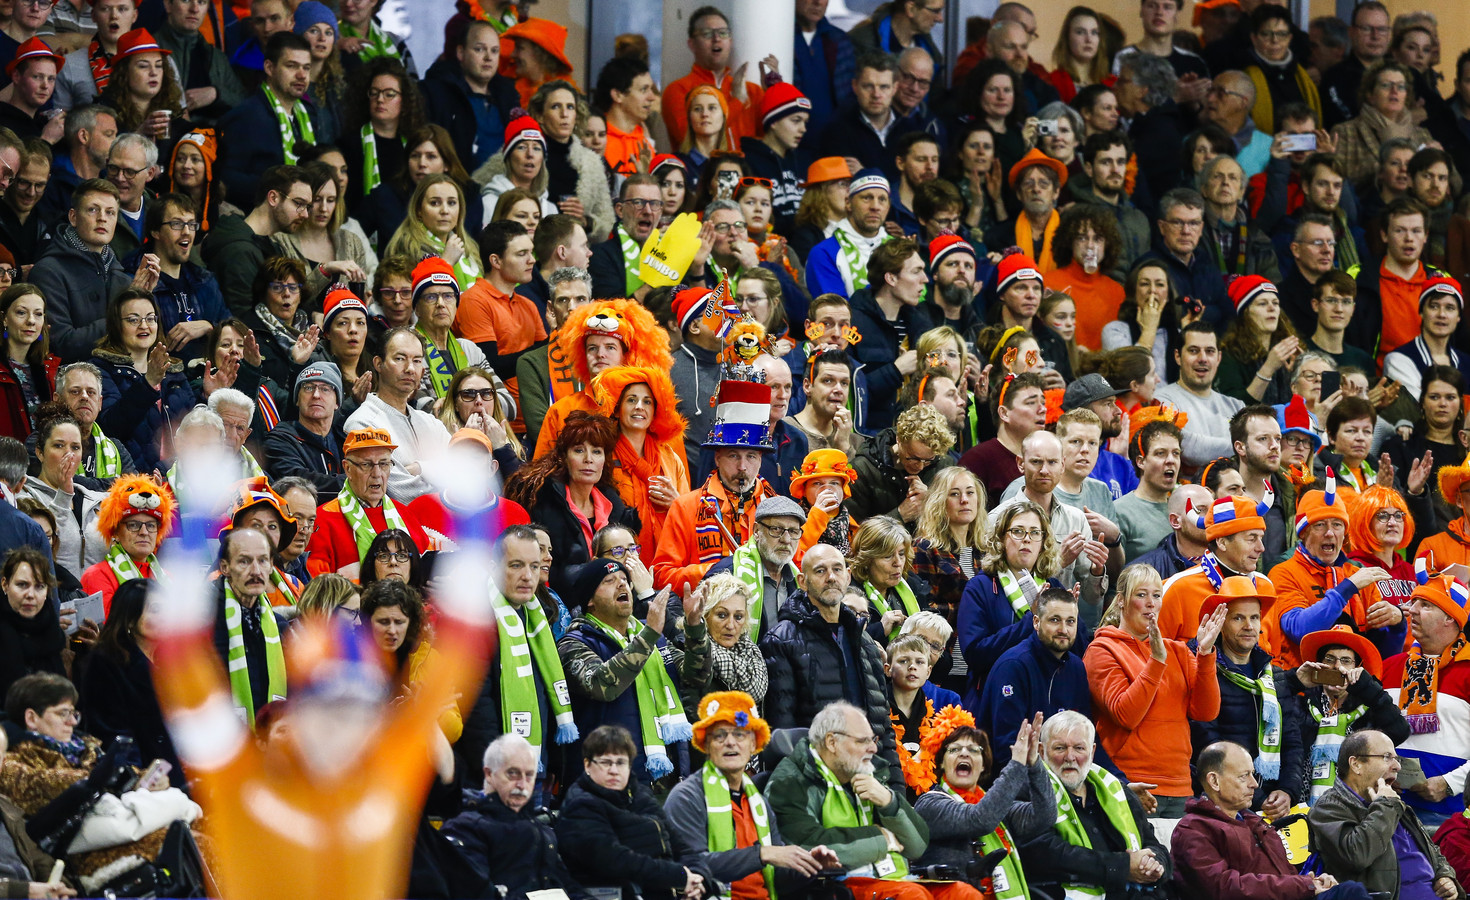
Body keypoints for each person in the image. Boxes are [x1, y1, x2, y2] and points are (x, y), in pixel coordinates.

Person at [765, 700, 951, 900]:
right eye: (862, 741)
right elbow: (805, 846)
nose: (873, 748)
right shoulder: (790, 782)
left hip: (894, 880)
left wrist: (890, 803)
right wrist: (882, 839)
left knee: (961, 894)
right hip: (840, 886)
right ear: (831, 742)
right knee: (912, 896)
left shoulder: (869, 771)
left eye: (873, 739)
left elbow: (917, 846)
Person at [1087, 563, 1225, 818]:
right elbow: (1126, 715)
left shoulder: (1179, 651)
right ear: (1121, 601)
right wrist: (1156, 662)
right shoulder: (1102, 650)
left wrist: (1205, 654)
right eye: (1141, 595)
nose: (1151, 603)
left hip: (1180, 785)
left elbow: (1206, 712)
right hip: (1132, 783)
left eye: (1156, 595)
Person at [666, 688, 833, 897]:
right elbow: (691, 866)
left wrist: (813, 865)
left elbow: (776, 875)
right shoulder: (686, 797)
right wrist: (761, 854)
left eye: (739, 734)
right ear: (706, 745)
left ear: (754, 744)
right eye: (719, 735)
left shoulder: (759, 801)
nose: (730, 742)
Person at [557, 560, 710, 782]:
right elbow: (602, 686)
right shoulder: (575, 643)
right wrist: (648, 636)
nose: (622, 585)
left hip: (664, 776)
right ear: (589, 600)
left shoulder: (650, 637)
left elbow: (697, 676)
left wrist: (695, 627)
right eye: (609, 581)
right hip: (606, 780)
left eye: (625, 580)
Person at [1174, 741, 1373, 899]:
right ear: (1214, 781)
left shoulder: (1252, 821)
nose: (1253, 784)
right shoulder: (1192, 829)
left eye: (1253, 774)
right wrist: (1303, 885)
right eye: (1244, 776)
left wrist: (1312, 880)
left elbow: (1283, 874)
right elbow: (1224, 888)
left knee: (1349, 890)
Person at [460, 526, 576, 785]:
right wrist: (495, 770)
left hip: (537, 768)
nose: (527, 576)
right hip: (497, 775)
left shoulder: (539, 619)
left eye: (534, 567)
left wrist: (556, 761)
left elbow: (546, 695)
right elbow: (476, 707)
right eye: (515, 565)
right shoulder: (476, 622)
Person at [1190, 574, 1307, 818]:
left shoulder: (1274, 676)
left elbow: (1292, 743)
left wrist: (1288, 791)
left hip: (1276, 803)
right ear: (1220, 623)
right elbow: (1208, 744)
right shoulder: (1204, 673)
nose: (1249, 626)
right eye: (1238, 618)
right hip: (1226, 807)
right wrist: (1258, 798)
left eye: (1254, 617)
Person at [1023, 709, 1173, 898]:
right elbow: (1044, 854)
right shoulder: (1028, 790)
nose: (1070, 757)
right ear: (1041, 751)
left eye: (1079, 748)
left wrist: (1154, 864)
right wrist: (1123, 867)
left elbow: (1152, 843)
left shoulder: (1116, 788)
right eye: (1060, 748)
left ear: (1092, 752)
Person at [554, 724, 707, 899]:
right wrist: (679, 877)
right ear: (587, 765)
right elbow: (616, 860)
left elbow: (680, 845)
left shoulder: (640, 794)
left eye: (621, 762)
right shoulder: (580, 805)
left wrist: (698, 877)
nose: (614, 770)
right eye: (605, 762)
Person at [1309, 728, 1461, 899]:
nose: (1397, 766)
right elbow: (1357, 855)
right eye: (1387, 757)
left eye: (1396, 759)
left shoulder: (1392, 801)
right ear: (1356, 764)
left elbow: (1431, 850)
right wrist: (1385, 806)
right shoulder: (1328, 808)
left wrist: (1445, 876)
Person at [439, 733, 588, 900]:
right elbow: (473, 893)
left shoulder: (542, 830)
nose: (522, 784)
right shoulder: (465, 828)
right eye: (513, 773)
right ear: (489, 774)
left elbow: (566, 885)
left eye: (529, 775)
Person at [1382, 573, 1470, 824]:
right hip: (1390, 810)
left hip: (1451, 816)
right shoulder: (1388, 668)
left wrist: (1449, 784)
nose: (1412, 611)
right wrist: (1380, 776)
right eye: (1413, 603)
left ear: (1449, 618)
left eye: (1426, 605)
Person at [980, 586, 1094, 766]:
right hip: (1014, 781)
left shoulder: (1076, 667)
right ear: (1036, 622)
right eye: (1055, 620)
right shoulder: (1013, 666)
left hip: (1062, 773)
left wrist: (1121, 782)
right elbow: (1007, 749)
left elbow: (1087, 736)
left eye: (1070, 621)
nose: (1063, 629)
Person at [306, 426, 431, 579]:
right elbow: (317, 591)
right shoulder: (322, 520)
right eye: (367, 465)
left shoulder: (405, 515)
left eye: (384, 464)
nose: (377, 474)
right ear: (347, 469)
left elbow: (427, 573)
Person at [342, 327, 448, 503]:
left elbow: (463, 476)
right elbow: (404, 495)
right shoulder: (362, 423)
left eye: (417, 360)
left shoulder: (430, 422)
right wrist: (443, 479)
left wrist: (421, 468)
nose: (410, 368)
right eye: (400, 359)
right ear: (378, 364)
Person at [216, 33, 319, 206]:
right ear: (269, 68)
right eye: (292, 66)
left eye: (306, 68)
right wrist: (279, 186)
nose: (302, 75)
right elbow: (225, 178)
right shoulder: (246, 116)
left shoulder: (309, 114)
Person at [202, 164, 311, 317]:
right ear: (273, 198)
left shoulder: (265, 244)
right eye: (299, 204)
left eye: (308, 207)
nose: (305, 214)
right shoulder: (240, 251)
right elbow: (241, 321)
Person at [210, 527, 288, 726]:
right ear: (225, 567)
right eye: (244, 561)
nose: (256, 571)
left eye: (262, 560)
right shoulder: (205, 623)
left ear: (271, 565)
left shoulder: (279, 625)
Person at [421, 19, 519, 170]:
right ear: (461, 53)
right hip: (456, 188)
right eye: (480, 49)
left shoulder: (509, 96)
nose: (488, 57)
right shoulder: (437, 94)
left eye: (494, 51)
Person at [19, 412, 104, 576]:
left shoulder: (96, 501)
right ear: (40, 453)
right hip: (54, 596)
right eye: (59, 445)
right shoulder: (24, 496)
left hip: (99, 599)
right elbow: (43, 544)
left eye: (75, 447)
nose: (69, 454)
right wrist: (64, 495)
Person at [76, 473, 171, 613]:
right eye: (133, 525)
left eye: (151, 525)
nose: (144, 532)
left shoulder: (168, 578)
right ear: (115, 532)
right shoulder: (97, 576)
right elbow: (109, 631)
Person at [1332, 61, 1432, 185]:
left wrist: (1439, 160)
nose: (1394, 91)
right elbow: (1339, 182)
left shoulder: (1422, 134)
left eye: (1401, 87)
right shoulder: (1345, 132)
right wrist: (1388, 155)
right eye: (1386, 85)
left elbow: (1454, 185)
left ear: (1407, 95)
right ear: (1370, 95)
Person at [850, 404, 951, 526]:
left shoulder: (944, 466)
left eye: (928, 460)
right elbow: (854, 535)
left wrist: (932, 502)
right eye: (913, 458)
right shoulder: (862, 470)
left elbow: (959, 522)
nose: (919, 467)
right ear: (899, 439)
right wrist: (900, 515)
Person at [804, 168, 892, 300]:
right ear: (848, 203)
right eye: (867, 198)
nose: (875, 206)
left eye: (882, 199)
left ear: (888, 206)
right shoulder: (824, 253)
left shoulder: (899, 249)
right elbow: (836, 314)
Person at [0, 546, 64, 702]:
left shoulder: (52, 631)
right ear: (5, 585)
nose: (30, 595)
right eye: (22, 585)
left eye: (39, 586)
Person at [1114, 418, 1182, 561]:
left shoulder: (1182, 510)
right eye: (1160, 453)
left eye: (1176, 453)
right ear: (1141, 461)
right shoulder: (1120, 511)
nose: (1171, 460)